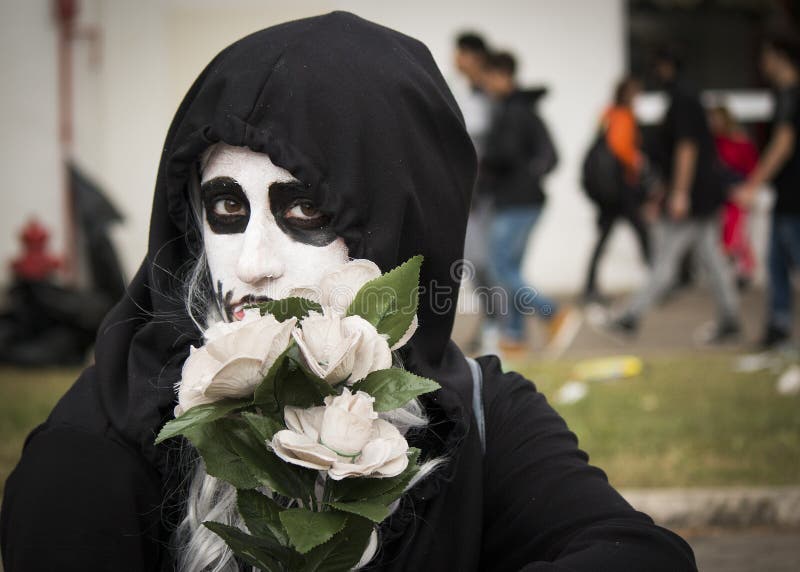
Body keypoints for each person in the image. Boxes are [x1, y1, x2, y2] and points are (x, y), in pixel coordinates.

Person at [0, 13, 697, 571]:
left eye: (305, 209)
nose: (253, 263)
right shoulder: (99, 448)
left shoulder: (478, 414)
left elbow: (641, 555)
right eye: (225, 207)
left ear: (403, 223)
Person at [606, 49, 741, 343]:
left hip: (693, 196)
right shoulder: (685, 97)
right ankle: (730, 318)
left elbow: (686, 148)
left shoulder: (682, 99)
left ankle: (631, 316)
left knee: (665, 260)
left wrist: (679, 193)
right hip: (701, 194)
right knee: (711, 257)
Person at [478, 51, 581, 356]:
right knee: (511, 268)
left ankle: (554, 314)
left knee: (500, 269)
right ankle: (514, 337)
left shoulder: (514, 112)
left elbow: (506, 154)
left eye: (488, 77)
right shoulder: (523, 109)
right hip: (524, 200)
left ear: (502, 75)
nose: (484, 84)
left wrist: (484, 159)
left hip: (516, 201)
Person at [734, 34, 800, 349]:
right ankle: (778, 328)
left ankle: (778, 327)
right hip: (786, 198)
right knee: (776, 265)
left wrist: (753, 184)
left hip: (794, 200)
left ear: (778, 56)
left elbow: (783, 144)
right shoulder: (783, 94)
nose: (763, 64)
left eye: (766, 56)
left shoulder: (792, 95)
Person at [583, 76, 652, 305]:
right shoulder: (623, 116)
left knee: (604, 237)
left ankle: (590, 286)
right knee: (642, 232)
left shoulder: (608, 114)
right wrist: (636, 161)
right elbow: (620, 147)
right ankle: (658, 280)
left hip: (607, 190)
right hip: (621, 188)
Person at [708, 104, 759, 289]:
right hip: (720, 195)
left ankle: (743, 273)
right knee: (724, 236)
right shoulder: (712, 143)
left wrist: (749, 190)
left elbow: (753, 169)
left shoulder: (740, 141)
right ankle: (731, 274)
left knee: (736, 235)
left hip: (739, 194)